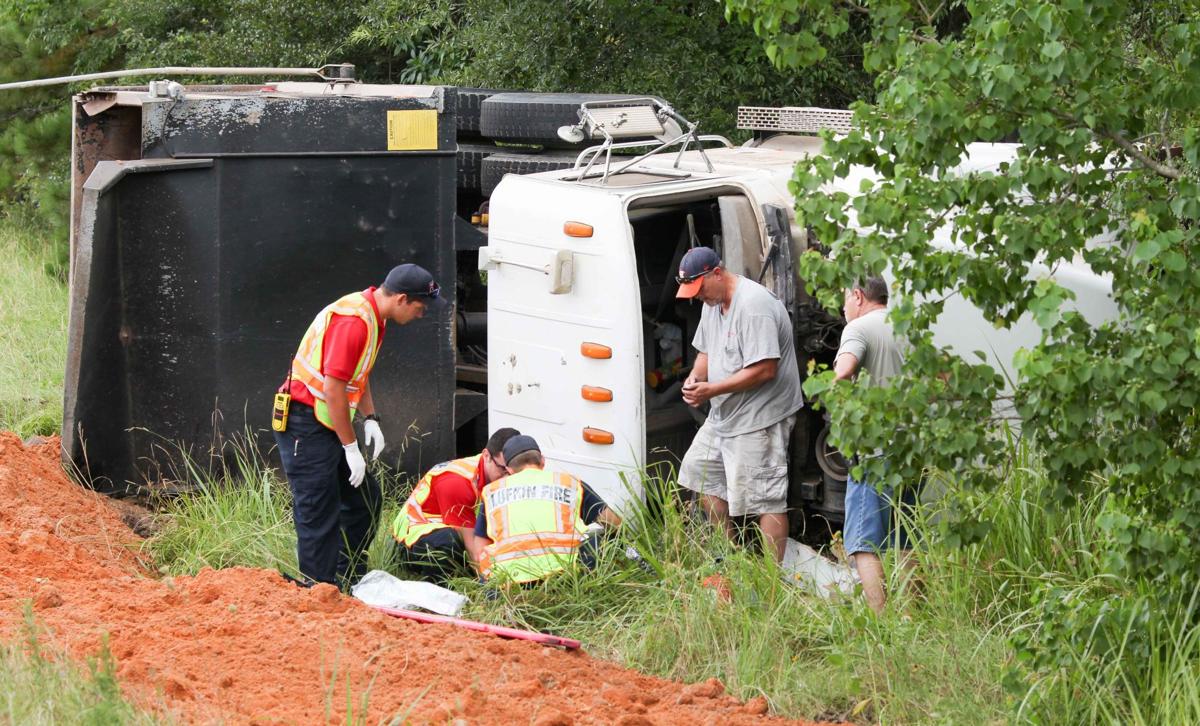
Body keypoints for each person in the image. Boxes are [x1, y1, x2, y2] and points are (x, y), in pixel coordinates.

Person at [273, 263, 442, 588]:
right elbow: (334, 389)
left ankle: (344, 576)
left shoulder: (374, 317)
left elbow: (357, 376)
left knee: (364, 501)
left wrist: (372, 418)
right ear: (402, 299)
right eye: (420, 308)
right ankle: (317, 590)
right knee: (318, 512)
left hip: (327, 421)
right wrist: (351, 447)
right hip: (305, 422)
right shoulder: (355, 322)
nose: (421, 315)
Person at [675, 246, 805, 562]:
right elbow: (706, 351)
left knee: (765, 499)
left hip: (760, 418)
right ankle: (731, 560)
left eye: (700, 288)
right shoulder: (713, 302)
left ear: (717, 272)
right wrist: (694, 379)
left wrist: (713, 388)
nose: (698, 296)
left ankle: (772, 582)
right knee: (699, 473)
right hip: (724, 414)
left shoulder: (754, 305)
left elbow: (765, 369)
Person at [832, 275, 910, 613]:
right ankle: (909, 616)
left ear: (859, 296)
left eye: (846, 300)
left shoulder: (858, 329)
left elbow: (845, 370)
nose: (843, 308)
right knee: (905, 537)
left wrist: (835, 387)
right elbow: (942, 378)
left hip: (873, 454)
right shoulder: (907, 328)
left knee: (864, 541)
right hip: (912, 448)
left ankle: (880, 619)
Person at [471, 435, 621, 584]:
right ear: (542, 461)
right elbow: (615, 524)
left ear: (509, 469)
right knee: (596, 539)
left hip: (510, 582)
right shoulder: (569, 483)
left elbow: (480, 548)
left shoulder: (492, 492)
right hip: (564, 577)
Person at [390, 427, 521, 584]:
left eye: (513, 472)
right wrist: (492, 587)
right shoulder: (458, 481)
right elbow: (472, 546)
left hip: (454, 531)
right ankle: (438, 593)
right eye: (503, 470)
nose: (508, 478)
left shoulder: (495, 472)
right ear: (486, 456)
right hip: (411, 541)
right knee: (449, 544)